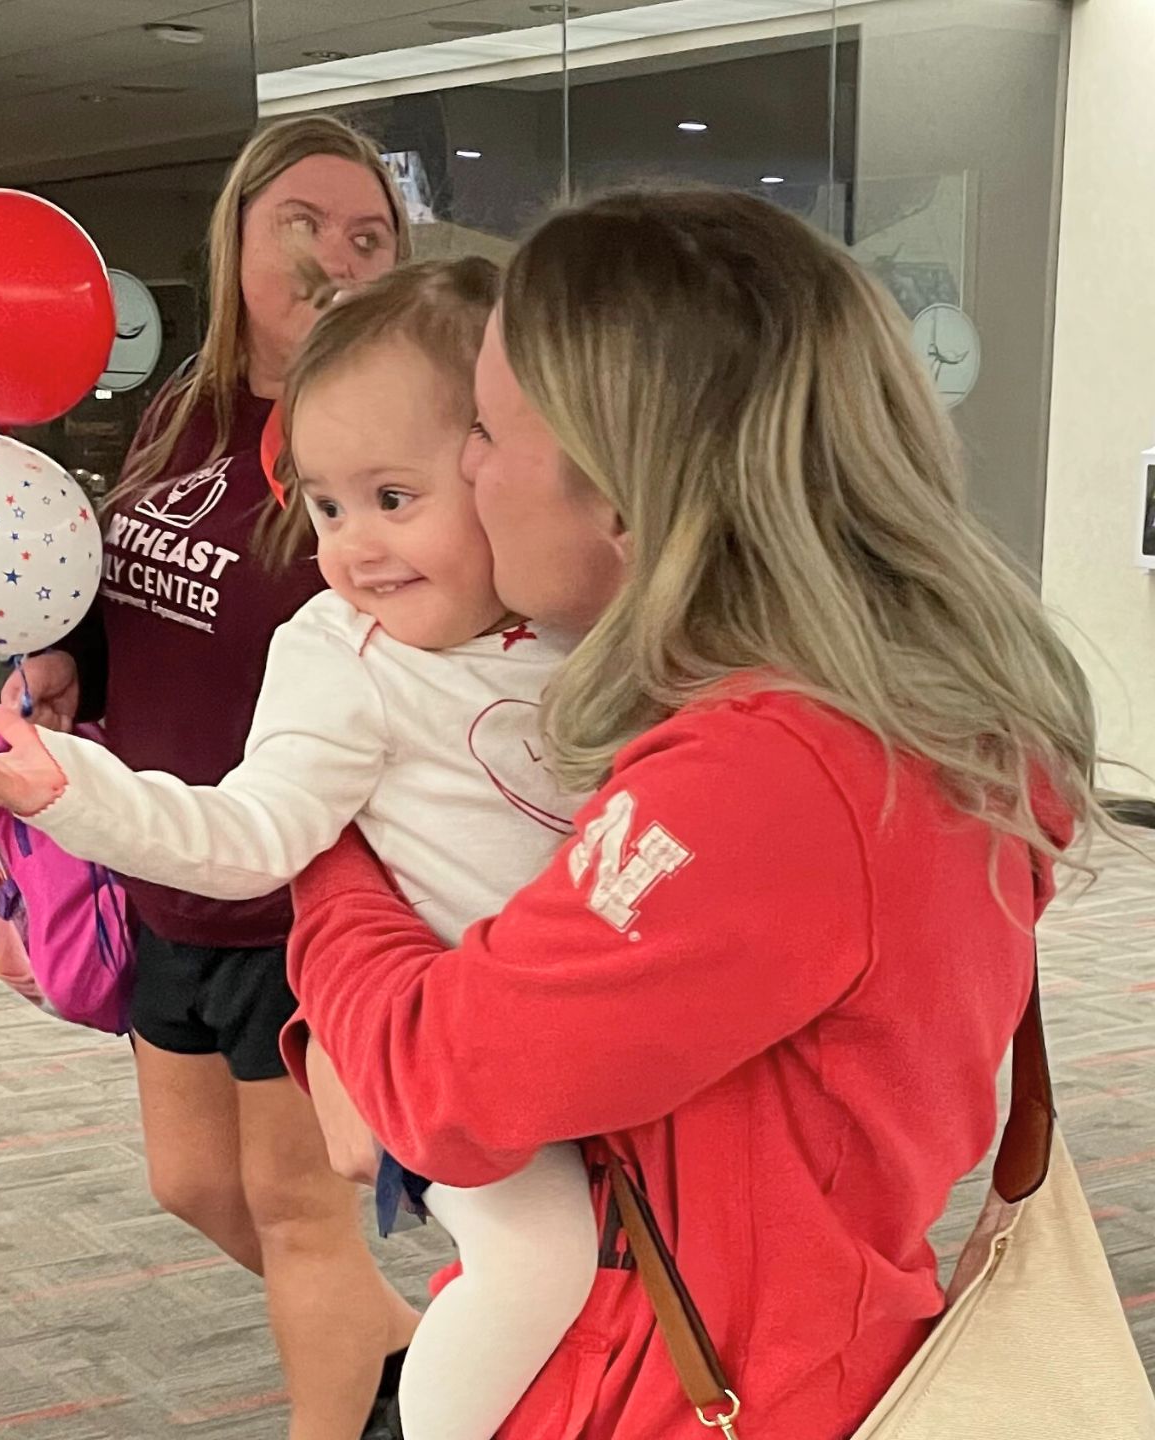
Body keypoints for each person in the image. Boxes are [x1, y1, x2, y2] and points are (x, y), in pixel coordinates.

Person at [289, 185, 1106, 1437]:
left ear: (621, 494)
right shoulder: (890, 713)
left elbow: (435, 1081)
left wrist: (321, 846)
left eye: (490, 432)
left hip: (682, 1391)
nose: (464, 469)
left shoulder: (768, 780)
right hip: (772, 1347)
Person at [0, 258, 594, 1440]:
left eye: (392, 496)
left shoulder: (576, 623)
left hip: (597, 1038)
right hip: (469, 1064)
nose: (354, 547)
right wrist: (73, 792)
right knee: (536, 1269)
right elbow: (248, 831)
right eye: (324, 507)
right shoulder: (341, 650)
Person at [0, 115, 421, 1440]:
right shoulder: (185, 409)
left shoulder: (381, 445)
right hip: (168, 872)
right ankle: (439, 1357)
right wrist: (70, 654)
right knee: (194, 1185)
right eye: (301, 222)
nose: (335, 256)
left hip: (295, 887)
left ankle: (378, 1395)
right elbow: (139, 586)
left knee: (299, 1219)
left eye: (369, 236)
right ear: (237, 238)